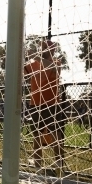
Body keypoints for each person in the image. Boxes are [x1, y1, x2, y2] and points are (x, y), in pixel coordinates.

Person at [24, 39, 66, 172]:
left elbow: (50, 67)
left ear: (53, 50)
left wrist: (35, 57)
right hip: (35, 105)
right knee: (37, 135)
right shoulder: (33, 63)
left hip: (52, 105)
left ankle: (59, 164)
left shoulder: (56, 63)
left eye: (48, 48)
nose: (44, 50)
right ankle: (38, 166)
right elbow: (23, 71)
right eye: (43, 47)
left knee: (55, 135)